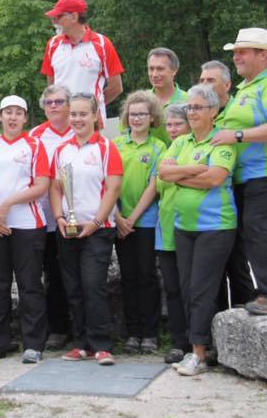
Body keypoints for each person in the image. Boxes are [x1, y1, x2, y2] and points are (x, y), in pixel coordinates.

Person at [211, 28, 267, 316]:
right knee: (262, 230)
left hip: (266, 170)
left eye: (243, 51)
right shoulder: (245, 89)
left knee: (257, 229)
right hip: (246, 173)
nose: (236, 56)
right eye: (235, 51)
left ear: (264, 54)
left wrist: (235, 136)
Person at [159, 84, 238, 376]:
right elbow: (163, 173)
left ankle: (199, 354)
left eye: (197, 108)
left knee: (201, 289)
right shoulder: (181, 143)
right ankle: (209, 346)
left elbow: (216, 178)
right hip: (184, 226)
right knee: (187, 287)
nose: (191, 113)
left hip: (215, 226)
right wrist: (195, 170)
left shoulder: (221, 142)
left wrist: (181, 174)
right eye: (189, 107)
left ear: (213, 111)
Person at [0, 95, 50, 364]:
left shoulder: (35, 145)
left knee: (30, 285)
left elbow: (41, 186)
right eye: (8, 112)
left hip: (26, 224)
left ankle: (33, 343)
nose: (13, 117)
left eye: (19, 112)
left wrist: (7, 204)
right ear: (0, 116)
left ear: (26, 118)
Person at [49, 93, 123, 366]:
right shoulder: (61, 150)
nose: (77, 119)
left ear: (95, 116)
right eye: (74, 114)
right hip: (68, 229)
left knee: (93, 286)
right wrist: (58, 217)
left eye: (83, 114)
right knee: (74, 288)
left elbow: (113, 188)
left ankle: (102, 345)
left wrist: (95, 222)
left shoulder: (105, 148)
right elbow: (55, 187)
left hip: (98, 230)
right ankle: (81, 344)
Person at [113, 91, 166, 355]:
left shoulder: (158, 147)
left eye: (142, 114)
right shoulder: (116, 145)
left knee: (146, 276)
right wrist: (117, 216)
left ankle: (149, 333)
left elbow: (153, 186)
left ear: (152, 117)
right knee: (128, 277)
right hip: (119, 220)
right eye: (132, 114)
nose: (136, 119)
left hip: (144, 221)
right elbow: (108, 183)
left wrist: (132, 218)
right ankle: (133, 332)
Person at [201, 59, 255, 309]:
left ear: (227, 84)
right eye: (202, 80)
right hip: (210, 198)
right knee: (215, 267)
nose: (205, 84)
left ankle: (243, 316)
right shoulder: (200, 113)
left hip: (239, 186)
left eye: (211, 80)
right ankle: (217, 323)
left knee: (238, 259)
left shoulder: (238, 111)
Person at [29, 85, 75, 350]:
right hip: (43, 217)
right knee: (50, 274)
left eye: (59, 101)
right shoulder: (36, 135)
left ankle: (78, 327)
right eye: (49, 102)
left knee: (73, 272)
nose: (54, 106)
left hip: (76, 216)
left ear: (69, 105)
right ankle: (56, 327)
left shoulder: (79, 129)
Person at [41, 0, 124, 124]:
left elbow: (116, 87)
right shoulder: (52, 44)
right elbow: (52, 86)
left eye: (58, 16)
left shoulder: (102, 44)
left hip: (93, 122)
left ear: (74, 16)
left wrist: (89, 108)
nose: (54, 21)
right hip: (62, 122)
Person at [156, 103, 192, 364]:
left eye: (178, 124)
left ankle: (199, 340)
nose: (173, 129)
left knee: (193, 287)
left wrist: (175, 173)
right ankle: (179, 342)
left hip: (191, 228)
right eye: (169, 124)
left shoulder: (193, 149)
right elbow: (159, 182)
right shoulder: (166, 152)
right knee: (172, 288)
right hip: (165, 229)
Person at [147, 48, 187, 144]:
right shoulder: (140, 101)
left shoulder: (189, 100)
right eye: (151, 69)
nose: (154, 74)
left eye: (160, 69)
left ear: (174, 71)